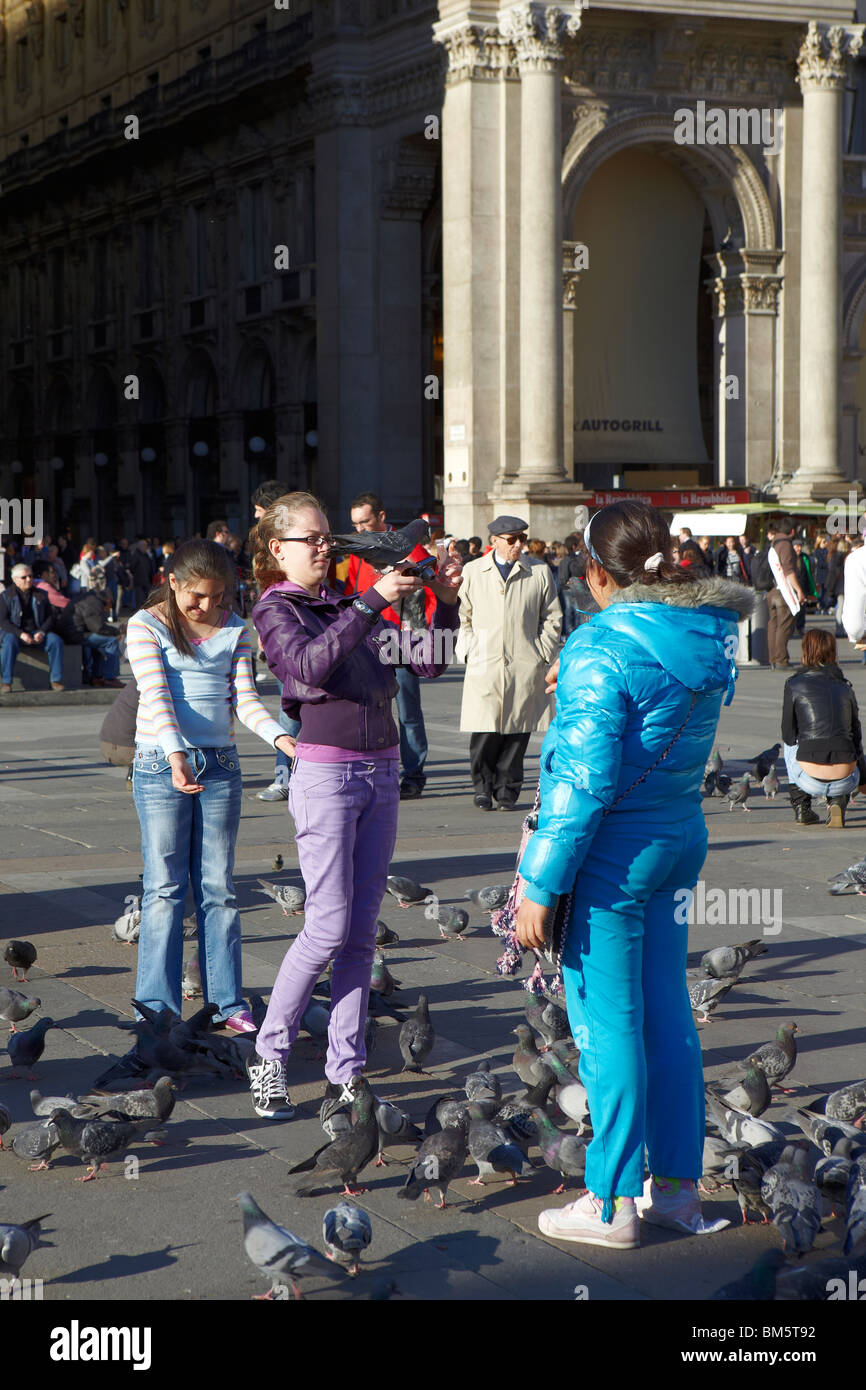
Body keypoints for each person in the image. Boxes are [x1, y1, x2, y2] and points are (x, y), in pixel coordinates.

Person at [515, 499, 753, 1248]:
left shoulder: (598, 647)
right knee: (668, 1015)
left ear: (594, 572)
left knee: (606, 1028)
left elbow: (581, 784)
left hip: (613, 856)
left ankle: (612, 1199)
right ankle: (677, 1190)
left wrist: (540, 882)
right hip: (678, 834)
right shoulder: (711, 632)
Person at [246, 491, 461, 1119]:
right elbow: (308, 668)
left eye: (326, 536)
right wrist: (371, 603)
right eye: (309, 538)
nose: (323, 546)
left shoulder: (349, 605)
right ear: (277, 548)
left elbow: (428, 663)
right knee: (327, 927)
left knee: (362, 934)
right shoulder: (275, 609)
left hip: (383, 769)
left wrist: (440, 606)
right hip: (326, 776)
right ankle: (271, 1055)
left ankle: (347, 1071)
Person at [125, 539, 294, 1032]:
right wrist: (177, 756)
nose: (207, 606)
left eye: (218, 597)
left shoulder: (236, 628)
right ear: (172, 581)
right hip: (160, 762)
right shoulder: (146, 624)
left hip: (220, 763)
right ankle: (156, 1007)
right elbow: (156, 697)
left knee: (219, 887)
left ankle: (227, 1002)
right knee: (165, 888)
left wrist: (284, 740)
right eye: (197, 596)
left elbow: (245, 698)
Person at [343, 490, 453, 802]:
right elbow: (354, 592)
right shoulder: (357, 552)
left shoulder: (413, 550)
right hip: (366, 638)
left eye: (365, 522)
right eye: (355, 524)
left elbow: (433, 596)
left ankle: (414, 774)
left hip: (402, 640)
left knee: (408, 711)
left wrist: (427, 636)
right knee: (364, 708)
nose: (360, 530)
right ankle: (371, 770)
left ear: (381, 516)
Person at [459, 514, 561, 811]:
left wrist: (542, 650)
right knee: (485, 729)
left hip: (524, 662)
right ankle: (482, 786)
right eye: (511, 539)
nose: (518, 544)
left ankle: (507, 789)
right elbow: (463, 616)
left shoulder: (539, 572)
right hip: (486, 662)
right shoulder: (474, 571)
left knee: (518, 731)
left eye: (521, 539)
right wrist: (469, 649)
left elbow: (552, 616)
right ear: (494, 542)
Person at [249, 481, 304, 802]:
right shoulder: (264, 542)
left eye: (258, 511)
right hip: (281, 632)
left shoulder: (287, 544)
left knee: (292, 712)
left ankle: (286, 777)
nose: (254, 516)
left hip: (297, 632)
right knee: (291, 711)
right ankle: (285, 775)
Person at [782, 628, 864, 828]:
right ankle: (837, 801)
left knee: (789, 745)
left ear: (805, 651)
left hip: (808, 777)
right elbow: (856, 737)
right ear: (833, 652)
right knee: (847, 738)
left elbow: (788, 734)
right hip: (847, 777)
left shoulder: (794, 684)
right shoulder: (845, 686)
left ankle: (802, 807)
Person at [0, 563, 65, 693]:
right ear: (15, 579)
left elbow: (50, 617)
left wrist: (42, 631)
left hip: (36, 631)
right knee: (9, 642)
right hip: (15, 632)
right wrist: (20, 634)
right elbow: (3, 621)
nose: (28, 580)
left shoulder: (41, 594)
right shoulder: (6, 596)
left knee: (56, 641)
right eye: (24, 577)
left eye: (30, 576)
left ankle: (56, 680)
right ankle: (6, 682)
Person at [74, 569, 125, 688]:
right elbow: (97, 628)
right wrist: (117, 632)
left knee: (100, 644)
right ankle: (111, 677)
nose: (109, 610)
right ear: (108, 601)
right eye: (110, 606)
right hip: (77, 633)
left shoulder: (94, 600)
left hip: (80, 632)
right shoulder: (94, 603)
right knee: (111, 642)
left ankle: (97, 676)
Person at [766, 516, 805, 668]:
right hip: (784, 591)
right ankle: (781, 660)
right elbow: (789, 571)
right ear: (793, 531)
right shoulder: (786, 545)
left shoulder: (773, 543)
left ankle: (773, 659)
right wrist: (799, 590)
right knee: (784, 625)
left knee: (773, 625)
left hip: (772, 590)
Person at [128, 539, 155, 612]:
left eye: (146, 546)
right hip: (139, 581)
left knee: (147, 599)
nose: (145, 547)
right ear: (139, 546)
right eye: (143, 546)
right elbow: (132, 567)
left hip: (147, 580)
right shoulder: (136, 555)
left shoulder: (146, 555)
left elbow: (150, 565)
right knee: (139, 599)